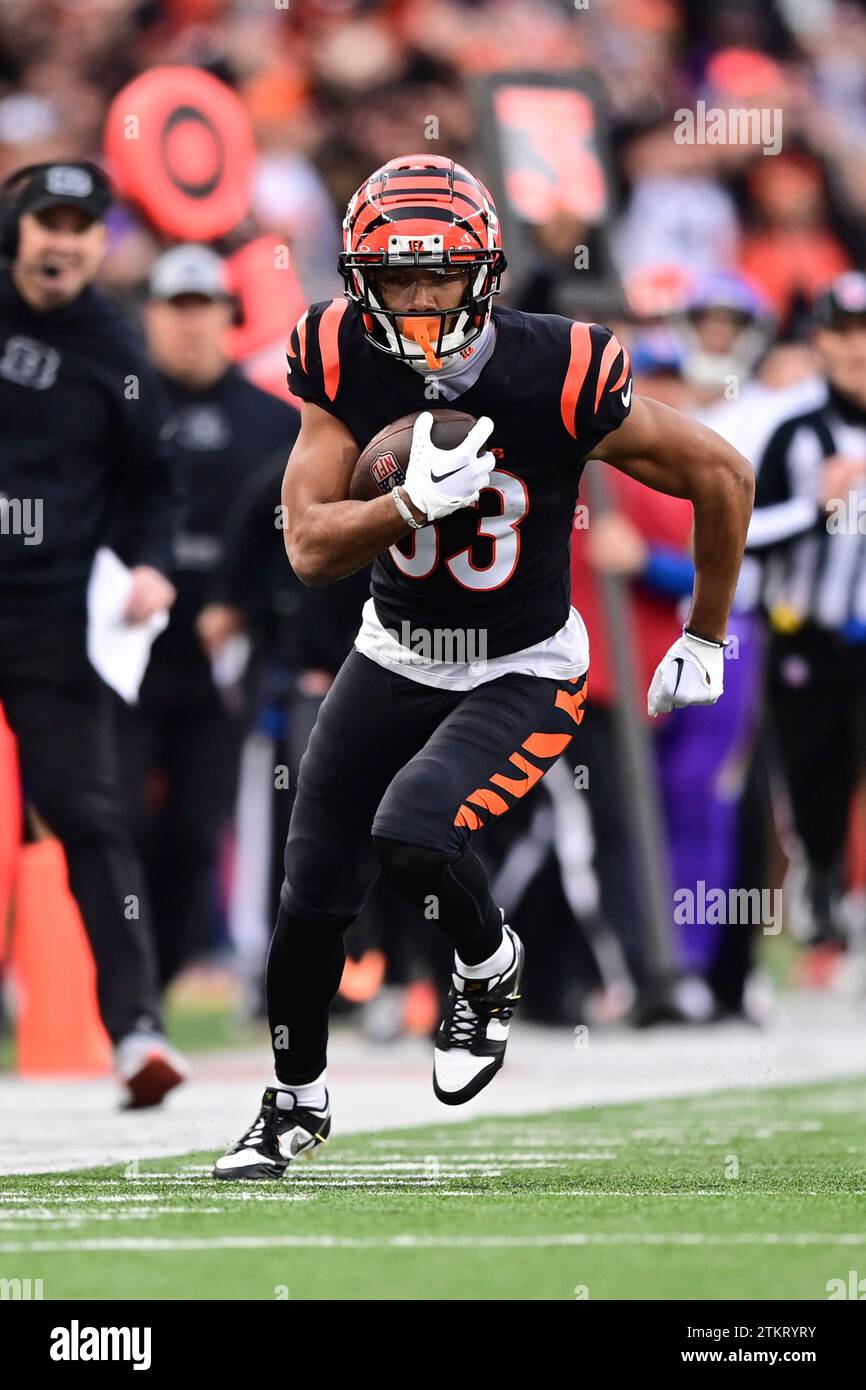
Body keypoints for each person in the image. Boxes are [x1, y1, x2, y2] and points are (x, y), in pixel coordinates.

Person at [213, 154, 754, 1181]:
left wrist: (705, 632)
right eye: (398, 276)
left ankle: (487, 961)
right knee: (313, 885)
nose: (421, 299)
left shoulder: (561, 368)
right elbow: (310, 543)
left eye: (442, 274)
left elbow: (720, 474)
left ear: (487, 272)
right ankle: (292, 1103)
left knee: (412, 829)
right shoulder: (334, 355)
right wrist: (405, 506)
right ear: (357, 281)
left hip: (522, 660)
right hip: (396, 646)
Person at [0, 161, 186, 1106]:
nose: (63, 239)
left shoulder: (115, 346)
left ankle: (137, 1032)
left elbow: (154, 480)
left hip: (50, 613)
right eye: (48, 222)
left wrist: (153, 564)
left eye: (82, 224)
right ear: (17, 229)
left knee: (89, 812)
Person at [116, 244, 300, 989]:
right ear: (150, 316)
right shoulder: (121, 406)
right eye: (174, 308)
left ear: (230, 316)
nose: (189, 326)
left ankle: (158, 982)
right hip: (124, 651)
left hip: (220, 663)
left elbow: (293, 539)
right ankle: (117, 983)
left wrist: (244, 608)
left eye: (205, 308)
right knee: (118, 821)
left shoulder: (271, 421)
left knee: (198, 832)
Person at [745, 271, 866, 947]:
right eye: (844, 335)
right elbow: (744, 533)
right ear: (820, 343)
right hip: (805, 642)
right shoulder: (792, 432)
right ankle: (821, 887)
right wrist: (811, 508)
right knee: (815, 784)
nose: (858, 351)